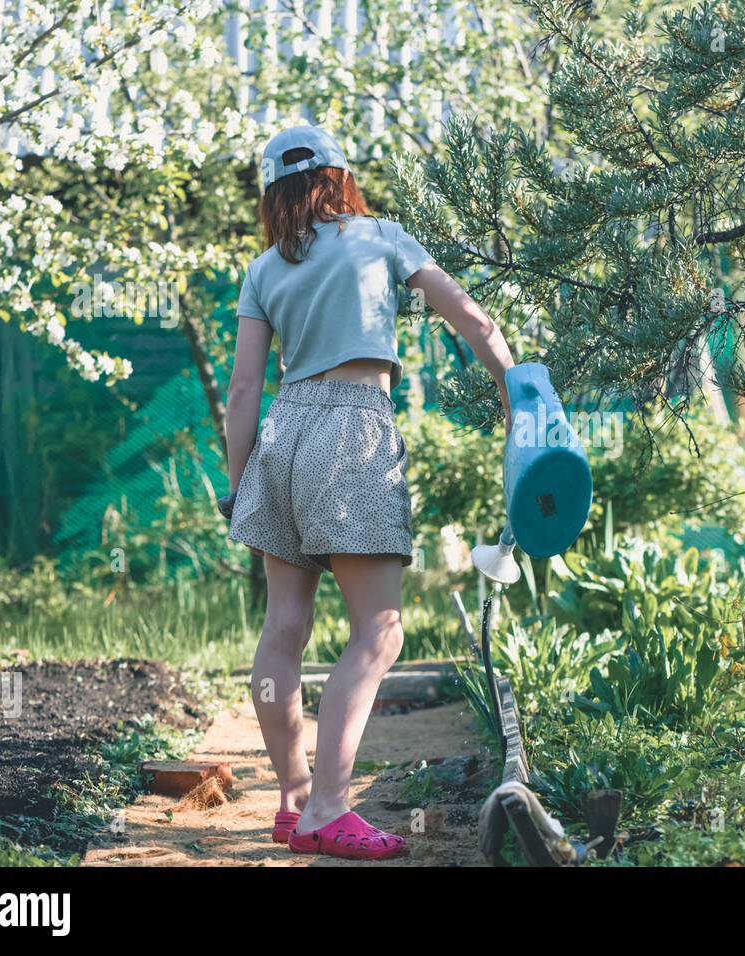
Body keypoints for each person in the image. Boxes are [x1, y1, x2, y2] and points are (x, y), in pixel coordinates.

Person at [220, 125, 515, 860]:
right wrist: (517, 389)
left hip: (281, 437)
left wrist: (240, 486)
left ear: (273, 195)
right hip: (352, 430)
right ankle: (327, 807)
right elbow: (468, 316)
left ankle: (292, 804)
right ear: (340, 177)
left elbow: (243, 392)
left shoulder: (263, 269)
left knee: (282, 627)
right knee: (380, 632)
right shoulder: (383, 235)